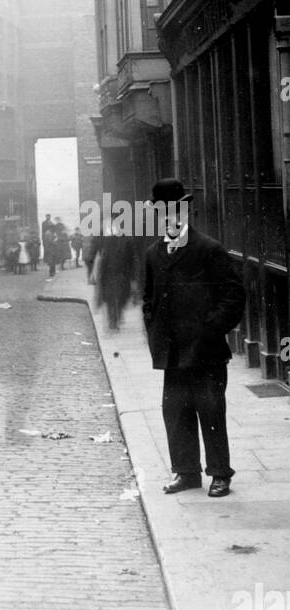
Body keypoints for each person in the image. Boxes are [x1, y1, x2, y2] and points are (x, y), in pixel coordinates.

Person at [142, 177, 246, 499]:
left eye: (176, 211)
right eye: (164, 213)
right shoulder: (153, 253)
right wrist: (155, 331)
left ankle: (219, 474)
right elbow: (149, 299)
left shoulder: (209, 249)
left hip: (206, 352)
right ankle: (186, 472)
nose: (171, 218)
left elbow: (234, 296)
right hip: (172, 353)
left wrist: (209, 329)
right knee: (175, 413)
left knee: (210, 411)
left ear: (186, 211)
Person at [95, 227, 134, 331]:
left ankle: (116, 317)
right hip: (112, 275)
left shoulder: (127, 241)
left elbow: (131, 260)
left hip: (119, 275)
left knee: (118, 299)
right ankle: (113, 321)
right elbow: (103, 257)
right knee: (112, 299)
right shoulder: (109, 241)